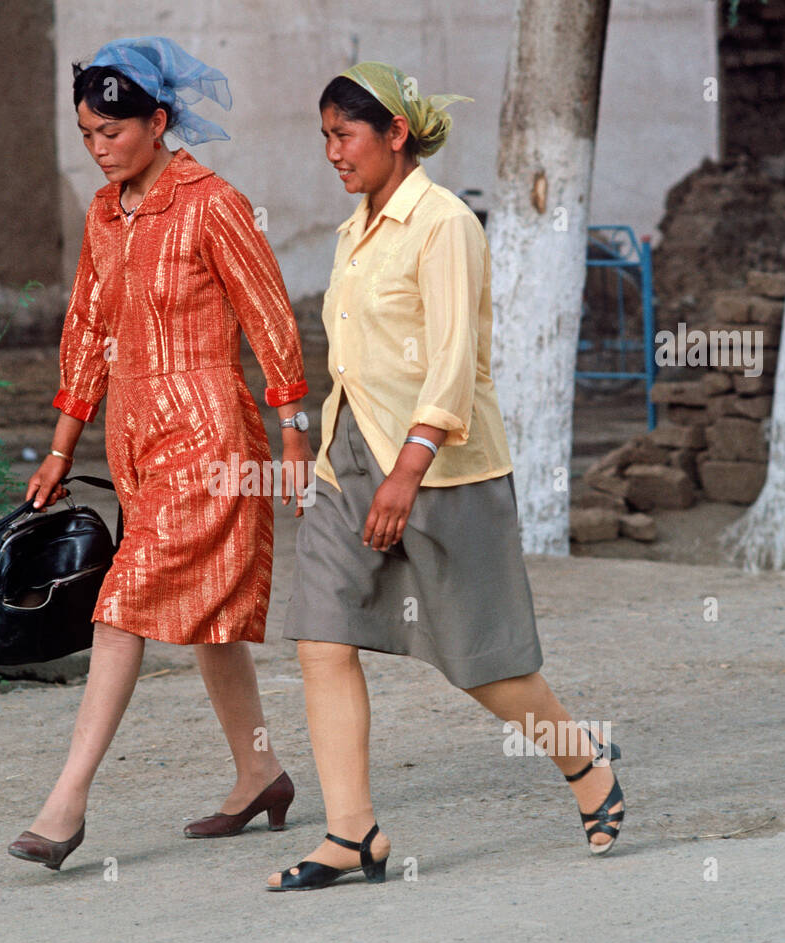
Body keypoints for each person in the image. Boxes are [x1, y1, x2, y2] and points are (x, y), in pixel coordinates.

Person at [267, 61, 625, 891]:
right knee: (321, 637)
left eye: (344, 134)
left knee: (484, 661)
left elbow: (454, 362)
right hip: (350, 456)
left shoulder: (444, 224)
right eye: (324, 136)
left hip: (440, 468)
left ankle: (584, 761)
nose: (332, 152)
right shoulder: (357, 229)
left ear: (396, 134)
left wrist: (407, 472)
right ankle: (352, 832)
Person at [8, 37, 313, 870]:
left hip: (211, 431)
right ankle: (260, 772)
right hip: (135, 436)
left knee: (124, 601)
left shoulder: (214, 204)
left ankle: (65, 805)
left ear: (159, 121)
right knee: (211, 616)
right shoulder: (103, 216)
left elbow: (271, 315)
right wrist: (61, 446)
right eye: (87, 135)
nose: (100, 147)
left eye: (113, 131)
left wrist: (293, 430)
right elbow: (86, 329)